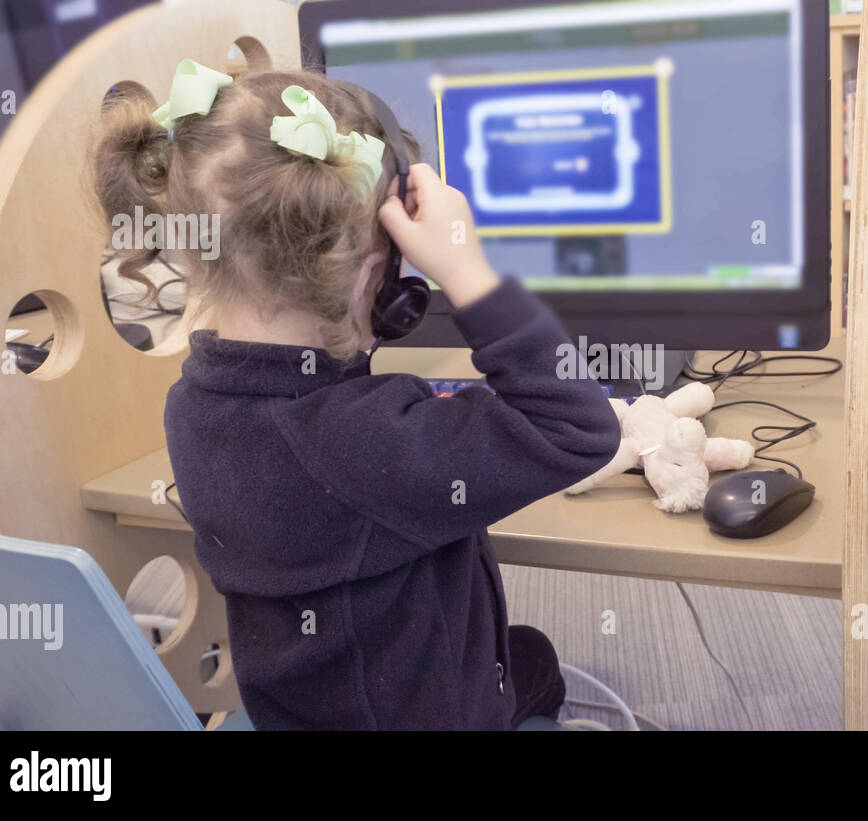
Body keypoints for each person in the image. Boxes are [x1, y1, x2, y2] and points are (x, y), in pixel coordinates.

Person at [93, 61, 620, 729]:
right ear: (377, 274)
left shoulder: (191, 404)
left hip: (308, 703)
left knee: (530, 659)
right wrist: (466, 267)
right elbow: (577, 427)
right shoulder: (365, 440)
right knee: (530, 675)